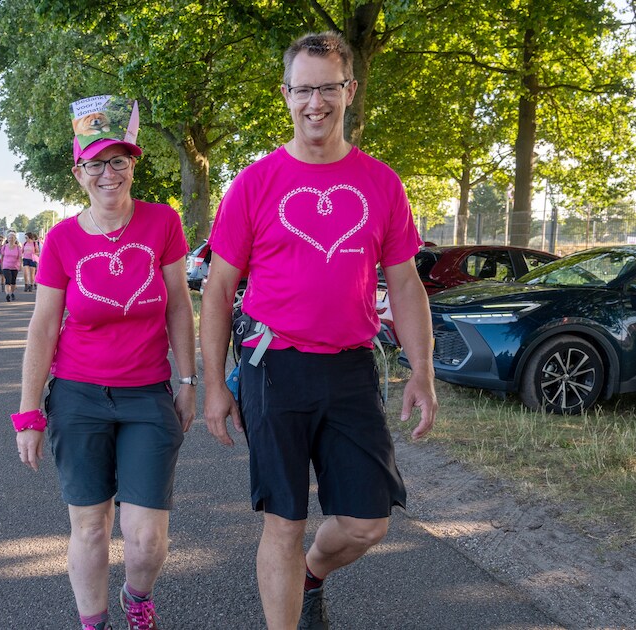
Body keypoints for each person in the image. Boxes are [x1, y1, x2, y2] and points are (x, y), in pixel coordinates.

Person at [199, 32, 438, 630]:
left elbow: (405, 284)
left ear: (349, 90)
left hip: (351, 368)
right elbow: (219, 290)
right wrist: (214, 385)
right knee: (284, 521)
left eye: (328, 88)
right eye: (303, 90)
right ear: (285, 94)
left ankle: (312, 574)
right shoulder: (253, 183)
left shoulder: (382, 183)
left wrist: (423, 371)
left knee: (367, 522)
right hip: (273, 366)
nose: (316, 103)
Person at [15, 94, 196, 630]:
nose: (108, 173)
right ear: (79, 174)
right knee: (91, 527)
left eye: (118, 160)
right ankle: (93, 622)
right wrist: (29, 412)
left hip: (147, 395)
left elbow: (179, 306)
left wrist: (188, 380)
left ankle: (137, 596)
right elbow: (44, 326)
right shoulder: (61, 240)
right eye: (95, 164)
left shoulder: (163, 223)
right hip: (78, 397)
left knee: (146, 540)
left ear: (134, 164)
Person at [0, 231, 24, 301]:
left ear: (15, 239)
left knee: (13, 282)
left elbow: (20, 257)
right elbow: (2, 256)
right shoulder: (4, 247)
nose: (11, 239)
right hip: (6, 266)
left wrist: (21, 265)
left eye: (12, 238)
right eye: (10, 238)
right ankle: (7, 294)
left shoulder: (18, 248)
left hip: (15, 267)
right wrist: (1, 265)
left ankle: (12, 293)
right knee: (8, 281)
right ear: (7, 239)